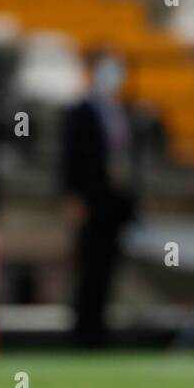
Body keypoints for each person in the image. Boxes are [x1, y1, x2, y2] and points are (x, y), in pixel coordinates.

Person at [59, 51, 136, 349]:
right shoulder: (79, 112)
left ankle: (99, 330)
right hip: (90, 200)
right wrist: (73, 196)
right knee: (87, 266)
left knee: (108, 266)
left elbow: (127, 157)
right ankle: (82, 331)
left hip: (114, 201)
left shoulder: (122, 110)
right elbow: (69, 157)